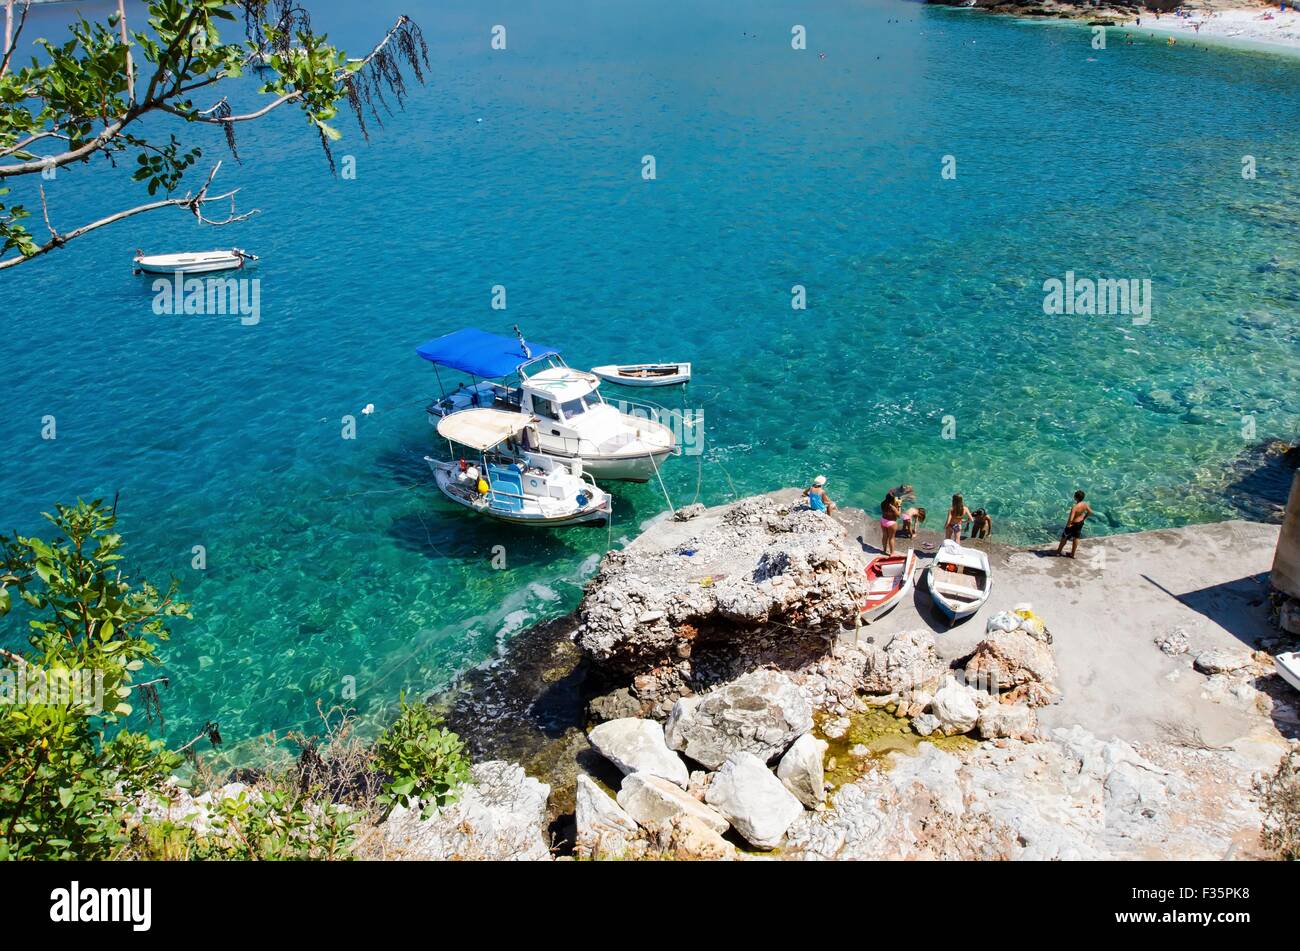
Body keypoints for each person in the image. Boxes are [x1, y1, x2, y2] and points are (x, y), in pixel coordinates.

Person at [1056, 490, 1093, 558]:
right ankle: (1072, 554)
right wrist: (1084, 517)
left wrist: (1068, 525)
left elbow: (1071, 519)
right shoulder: (1085, 504)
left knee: (1064, 538)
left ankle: (1058, 552)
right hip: (1080, 523)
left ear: (1076, 498)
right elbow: (1090, 512)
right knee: (1076, 537)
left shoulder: (1075, 507)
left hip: (1073, 524)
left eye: (1074, 495)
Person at [880, 490, 901, 555]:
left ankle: (884, 551)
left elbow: (885, 511)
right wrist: (899, 506)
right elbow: (899, 515)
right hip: (891, 523)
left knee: (885, 536)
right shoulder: (893, 507)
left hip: (883, 520)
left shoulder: (882, 503)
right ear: (893, 500)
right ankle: (892, 553)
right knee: (891, 538)